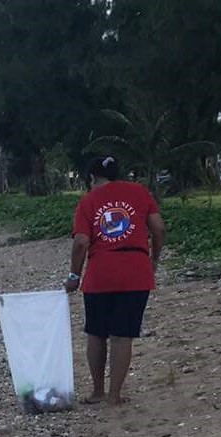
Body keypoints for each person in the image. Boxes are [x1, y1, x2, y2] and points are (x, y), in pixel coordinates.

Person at [64, 156, 165, 407]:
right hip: (136, 270)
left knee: (96, 332)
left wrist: (74, 275)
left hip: (101, 273)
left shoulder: (88, 201)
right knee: (122, 336)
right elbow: (159, 228)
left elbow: (81, 242)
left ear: (90, 178)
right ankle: (114, 395)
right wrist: (154, 258)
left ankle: (97, 390)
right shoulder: (140, 192)